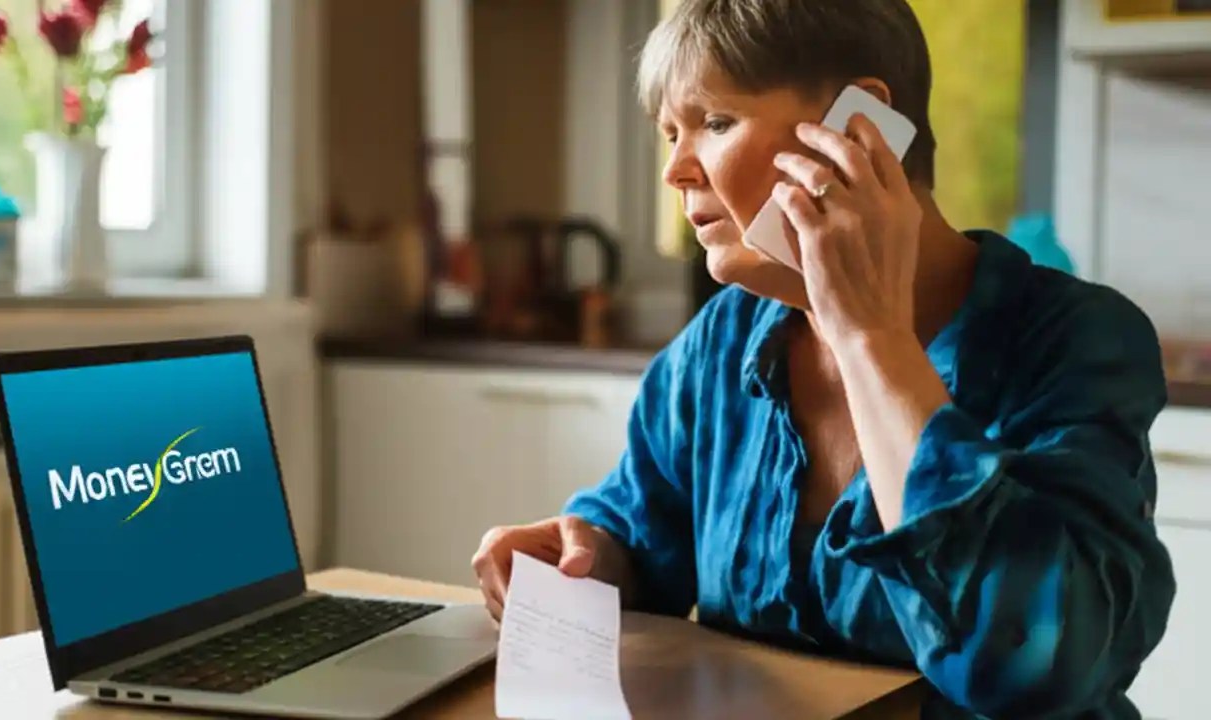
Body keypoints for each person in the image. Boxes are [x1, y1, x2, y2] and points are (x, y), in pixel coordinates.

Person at [470, 1, 1175, 717]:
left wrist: (870, 336)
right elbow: (645, 536)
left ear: (859, 128)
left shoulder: (1075, 339)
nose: (676, 171)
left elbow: (1038, 666)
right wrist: (586, 558)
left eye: (716, 122)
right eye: (670, 134)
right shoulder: (718, 343)